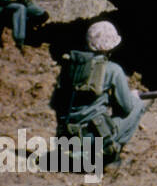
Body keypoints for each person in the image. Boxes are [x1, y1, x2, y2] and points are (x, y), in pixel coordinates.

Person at [48, 21, 145, 164]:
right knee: (138, 104)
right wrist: (132, 96)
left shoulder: (68, 65)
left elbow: (55, 103)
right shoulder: (113, 69)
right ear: (110, 47)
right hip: (93, 137)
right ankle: (110, 154)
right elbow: (127, 107)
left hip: (66, 135)